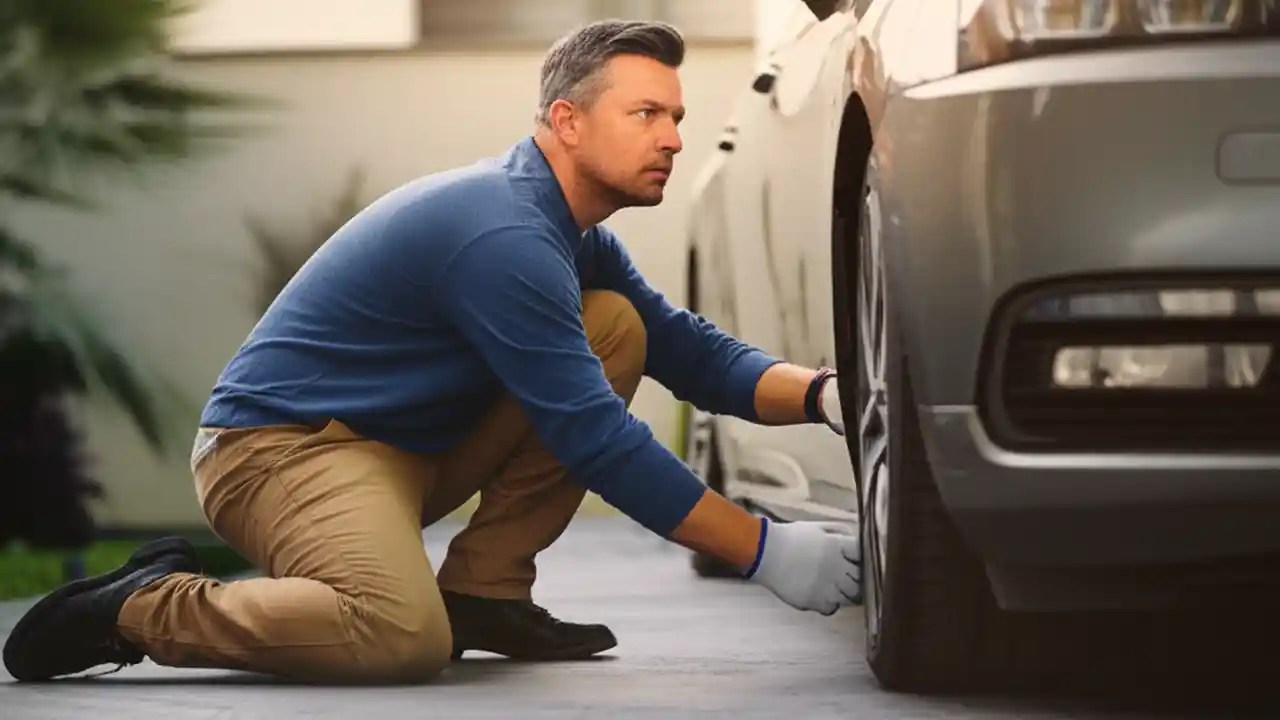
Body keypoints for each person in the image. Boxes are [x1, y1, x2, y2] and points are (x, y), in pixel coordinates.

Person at [2, 19, 858, 685]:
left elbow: (686, 352)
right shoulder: (503, 234)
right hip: (281, 454)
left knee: (618, 328)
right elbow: (595, 437)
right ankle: (146, 608)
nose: (673, 137)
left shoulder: (570, 235)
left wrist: (828, 395)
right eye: (646, 114)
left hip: (399, 448)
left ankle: (485, 595)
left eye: (675, 116)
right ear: (566, 121)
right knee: (396, 636)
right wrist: (763, 550)